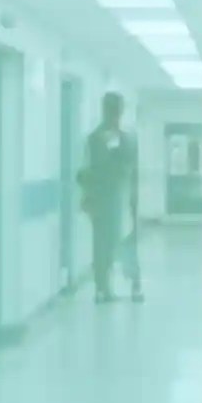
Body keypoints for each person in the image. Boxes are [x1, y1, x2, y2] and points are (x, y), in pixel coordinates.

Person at [78, 92, 142, 303]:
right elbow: (113, 168)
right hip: (109, 199)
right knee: (110, 244)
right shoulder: (104, 137)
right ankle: (108, 287)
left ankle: (111, 287)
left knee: (108, 244)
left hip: (113, 199)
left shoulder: (106, 137)